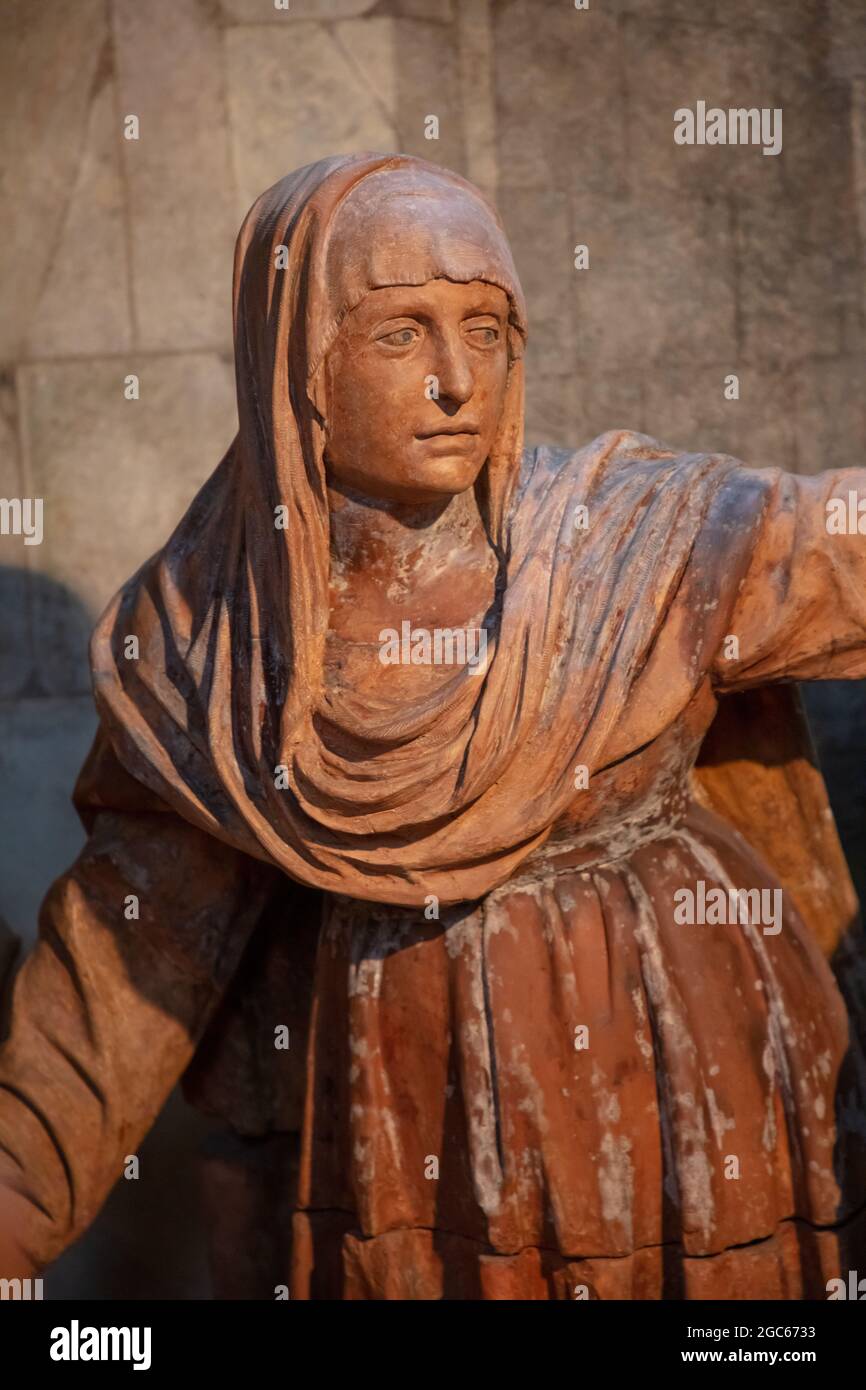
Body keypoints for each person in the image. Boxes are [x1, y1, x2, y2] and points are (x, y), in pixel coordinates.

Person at [2, 152, 866, 1299]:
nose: (458, 377)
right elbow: (111, 982)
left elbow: (827, 544)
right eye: (399, 332)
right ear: (295, 361)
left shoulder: (631, 541)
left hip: (690, 1080)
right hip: (424, 1123)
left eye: (488, 328)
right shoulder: (214, 653)